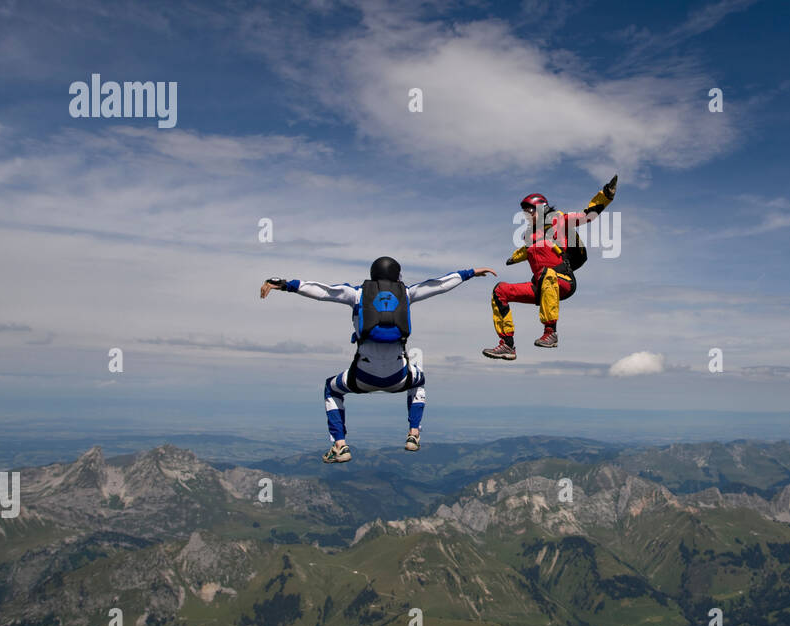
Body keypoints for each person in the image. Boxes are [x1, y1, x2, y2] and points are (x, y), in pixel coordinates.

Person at [261, 257, 496, 462]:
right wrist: (470, 273)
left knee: (331, 389)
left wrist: (283, 284)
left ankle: (339, 445)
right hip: (398, 377)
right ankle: (414, 432)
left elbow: (321, 291)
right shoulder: (406, 293)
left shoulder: (356, 294)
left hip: (362, 377)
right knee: (419, 380)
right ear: (397, 275)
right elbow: (438, 285)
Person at [482, 175, 617, 360]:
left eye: (529, 210)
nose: (526, 215)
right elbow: (527, 250)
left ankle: (551, 332)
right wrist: (513, 258)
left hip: (563, 280)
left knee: (546, 274)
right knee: (500, 291)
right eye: (525, 212)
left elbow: (588, 215)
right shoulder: (529, 236)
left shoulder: (559, 220)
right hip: (540, 286)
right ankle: (507, 345)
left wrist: (606, 195)